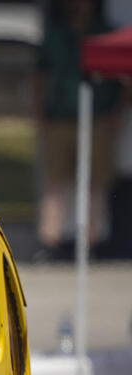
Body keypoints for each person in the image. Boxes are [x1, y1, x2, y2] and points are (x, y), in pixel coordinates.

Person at [34, 0, 123, 260]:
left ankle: (90, 241)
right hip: (59, 116)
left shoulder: (105, 32)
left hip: (98, 117)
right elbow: (39, 74)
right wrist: (39, 109)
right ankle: (50, 241)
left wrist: (117, 111)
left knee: (96, 182)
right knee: (55, 180)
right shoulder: (55, 34)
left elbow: (122, 76)